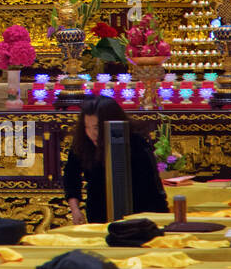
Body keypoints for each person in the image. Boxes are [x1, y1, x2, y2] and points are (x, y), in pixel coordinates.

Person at [65, 96, 168, 224]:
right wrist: (75, 209)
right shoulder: (83, 143)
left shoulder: (136, 142)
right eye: (87, 127)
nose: (92, 133)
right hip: (98, 211)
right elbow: (71, 177)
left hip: (138, 213)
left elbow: (152, 187)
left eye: (96, 127)